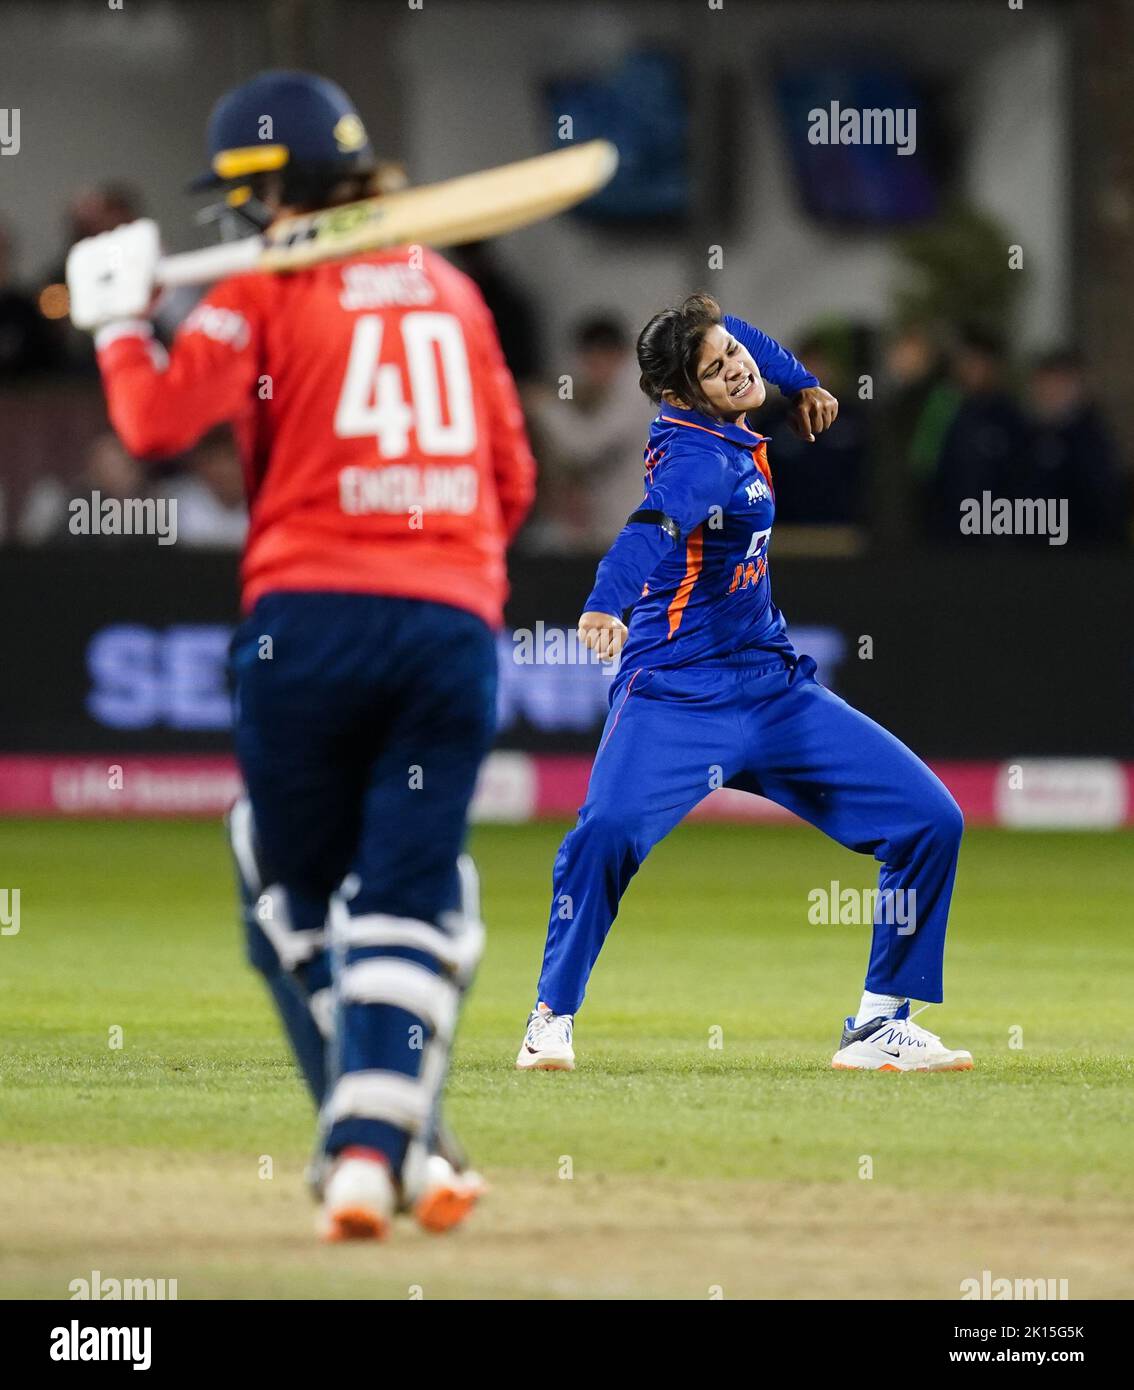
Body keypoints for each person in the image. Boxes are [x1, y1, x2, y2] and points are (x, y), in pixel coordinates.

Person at [66, 70, 536, 1241]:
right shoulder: (457, 294)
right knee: (408, 897)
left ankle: (375, 1145)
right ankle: (397, 1146)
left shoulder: (266, 285)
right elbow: (515, 484)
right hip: (451, 628)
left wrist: (123, 327)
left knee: (295, 896)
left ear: (266, 185)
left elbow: (154, 425)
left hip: (309, 623)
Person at [515, 294, 970, 1075]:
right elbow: (651, 525)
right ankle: (549, 1019)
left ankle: (877, 1025)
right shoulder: (697, 460)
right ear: (681, 396)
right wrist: (604, 602)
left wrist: (799, 383)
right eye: (716, 369)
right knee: (606, 835)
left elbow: (744, 336)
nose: (738, 367)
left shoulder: (732, 396)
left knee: (930, 819)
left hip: (773, 687)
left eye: (734, 354)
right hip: (677, 690)